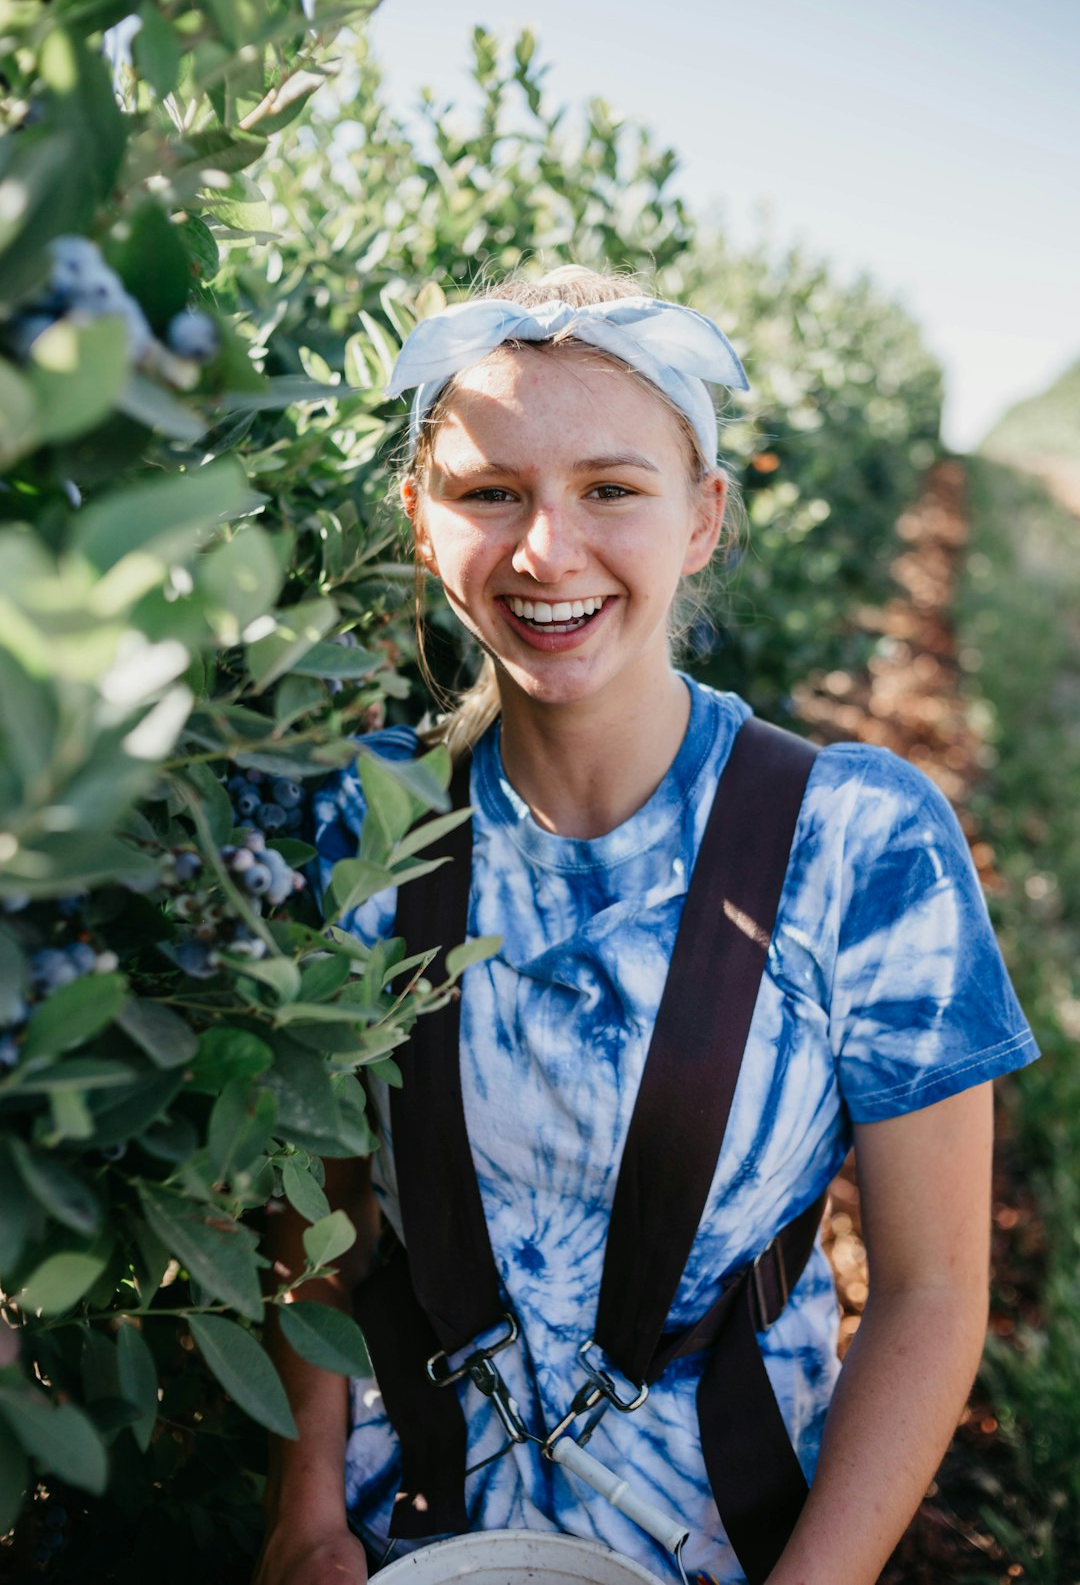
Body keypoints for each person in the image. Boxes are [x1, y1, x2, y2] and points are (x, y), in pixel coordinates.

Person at [253, 266, 1038, 1585]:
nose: (547, 550)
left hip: (737, 1545)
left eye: (610, 488)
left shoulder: (859, 844)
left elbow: (932, 1291)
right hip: (408, 1541)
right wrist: (305, 1511)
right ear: (419, 518)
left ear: (702, 518)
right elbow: (319, 1218)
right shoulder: (354, 830)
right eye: (489, 491)